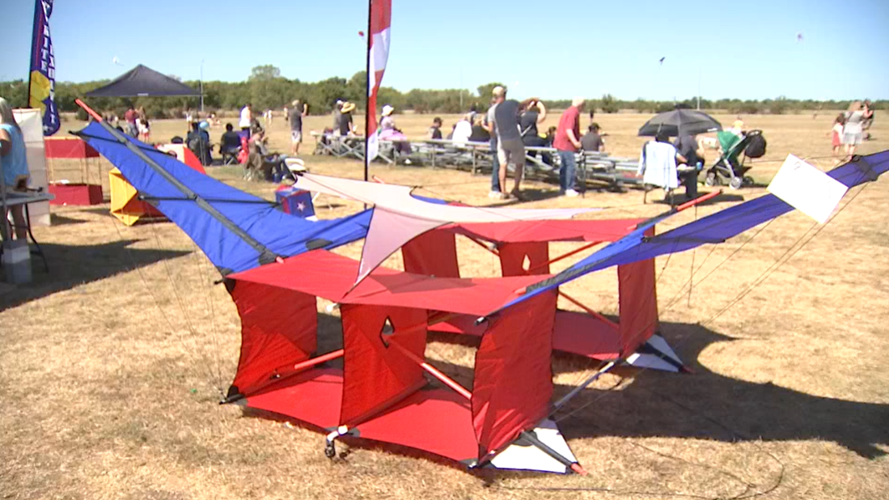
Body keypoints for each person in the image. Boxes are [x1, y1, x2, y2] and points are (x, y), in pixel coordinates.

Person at [0, 98, 30, 240]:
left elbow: (5, 148)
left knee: (2, 215)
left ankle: (8, 246)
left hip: (8, 179)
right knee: (18, 214)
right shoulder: (16, 129)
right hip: (22, 177)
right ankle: (22, 247)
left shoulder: (3, 129)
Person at [492, 86, 525, 200]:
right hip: (513, 136)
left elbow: (491, 127)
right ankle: (516, 188)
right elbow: (521, 107)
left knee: (503, 165)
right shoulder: (510, 104)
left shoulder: (493, 109)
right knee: (519, 163)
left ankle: (503, 190)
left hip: (501, 138)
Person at [553, 97, 586, 197]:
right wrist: (575, 142)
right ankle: (569, 188)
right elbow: (568, 129)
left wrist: (579, 134)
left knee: (564, 166)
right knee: (570, 166)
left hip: (560, 143)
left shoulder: (567, 111)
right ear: (581, 105)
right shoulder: (573, 112)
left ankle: (563, 187)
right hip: (566, 144)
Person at [483, 95, 502, 198]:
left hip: (496, 139)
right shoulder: (491, 113)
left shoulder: (490, 113)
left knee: (499, 165)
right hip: (495, 140)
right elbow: (490, 129)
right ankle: (495, 187)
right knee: (497, 165)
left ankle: (498, 187)